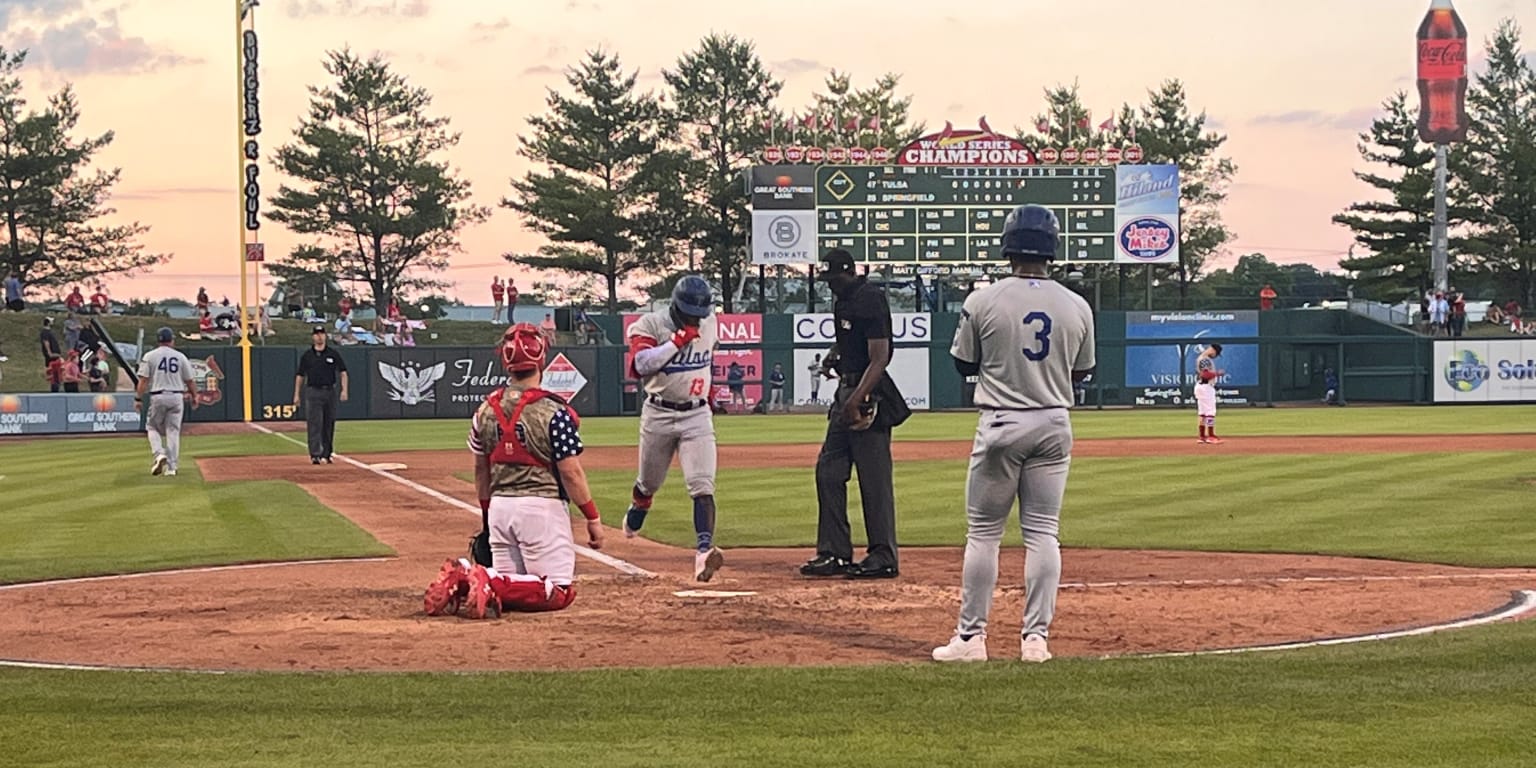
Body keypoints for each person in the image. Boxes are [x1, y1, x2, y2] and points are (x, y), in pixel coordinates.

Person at [930, 204, 1096, 664]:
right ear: (1052, 248)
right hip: (1053, 421)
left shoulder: (983, 299)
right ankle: (1035, 641)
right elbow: (1084, 371)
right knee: (1044, 533)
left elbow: (963, 363)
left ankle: (971, 639)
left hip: (1002, 419)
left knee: (983, 533)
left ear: (1007, 247)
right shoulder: (1075, 303)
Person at [423, 323, 603, 618]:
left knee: (510, 592)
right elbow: (571, 472)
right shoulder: (555, 412)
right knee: (558, 591)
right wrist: (592, 517)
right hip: (541, 509)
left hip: (499, 509)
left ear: (505, 362)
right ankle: (482, 577)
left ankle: (469, 582)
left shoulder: (484, 410)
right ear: (541, 359)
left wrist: (486, 514)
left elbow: (481, 471)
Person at [800, 248, 907, 580]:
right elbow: (851, 342)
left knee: (873, 480)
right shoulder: (843, 300)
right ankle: (834, 552)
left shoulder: (869, 298)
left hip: (866, 394)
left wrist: (857, 398)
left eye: (834, 278)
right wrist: (835, 354)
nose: (830, 285)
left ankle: (883, 555)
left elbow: (880, 356)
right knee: (828, 471)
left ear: (848, 273)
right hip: (846, 390)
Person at [622, 275, 726, 582]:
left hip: (697, 414)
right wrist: (676, 342)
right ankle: (640, 504)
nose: (695, 319)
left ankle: (704, 552)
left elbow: (707, 360)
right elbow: (641, 364)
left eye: (699, 314)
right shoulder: (650, 324)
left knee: (702, 484)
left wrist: (707, 392)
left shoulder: (711, 323)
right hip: (658, 413)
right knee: (649, 482)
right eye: (690, 313)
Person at [135, 327, 199, 477]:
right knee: (173, 431)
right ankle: (171, 468)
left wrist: (138, 398)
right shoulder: (180, 356)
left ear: (158, 340)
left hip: (158, 395)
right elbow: (190, 380)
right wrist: (195, 395)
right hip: (177, 396)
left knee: (152, 427)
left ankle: (159, 454)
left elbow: (143, 380)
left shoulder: (150, 356)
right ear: (171, 340)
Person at [293, 324, 349, 464]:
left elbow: (343, 372)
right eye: (317, 334)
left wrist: (344, 390)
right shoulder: (308, 355)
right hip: (313, 391)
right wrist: (297, 394)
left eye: (322, 334)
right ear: (313, 337)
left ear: (325, 335)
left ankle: (327, 453)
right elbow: (300, 375)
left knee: (328, 423)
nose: (319, 336)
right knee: (314, 423)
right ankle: (315, 454)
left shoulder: (332, 354)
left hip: (329, 391)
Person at [1195, 344, 1224, 444]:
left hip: (1201, 386)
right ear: (1213, 350)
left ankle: (1202, 436)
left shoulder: (1202, 358)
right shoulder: (1205, 359)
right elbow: (1205, 375)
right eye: (1216, 353)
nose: (1215, 356)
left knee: (1202, 413)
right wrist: (1217, 374)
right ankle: (1210, 436)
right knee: (1210, 412)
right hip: (1206, 387)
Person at [39, 317, 62, 392]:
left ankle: (56, 384)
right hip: (52, 354)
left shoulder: (49, 331)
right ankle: (54, 385)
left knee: (57, 370)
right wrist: (49, 352)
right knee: (53, 370)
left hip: (55, 353)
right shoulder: (45, 332)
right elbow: (46, 342)